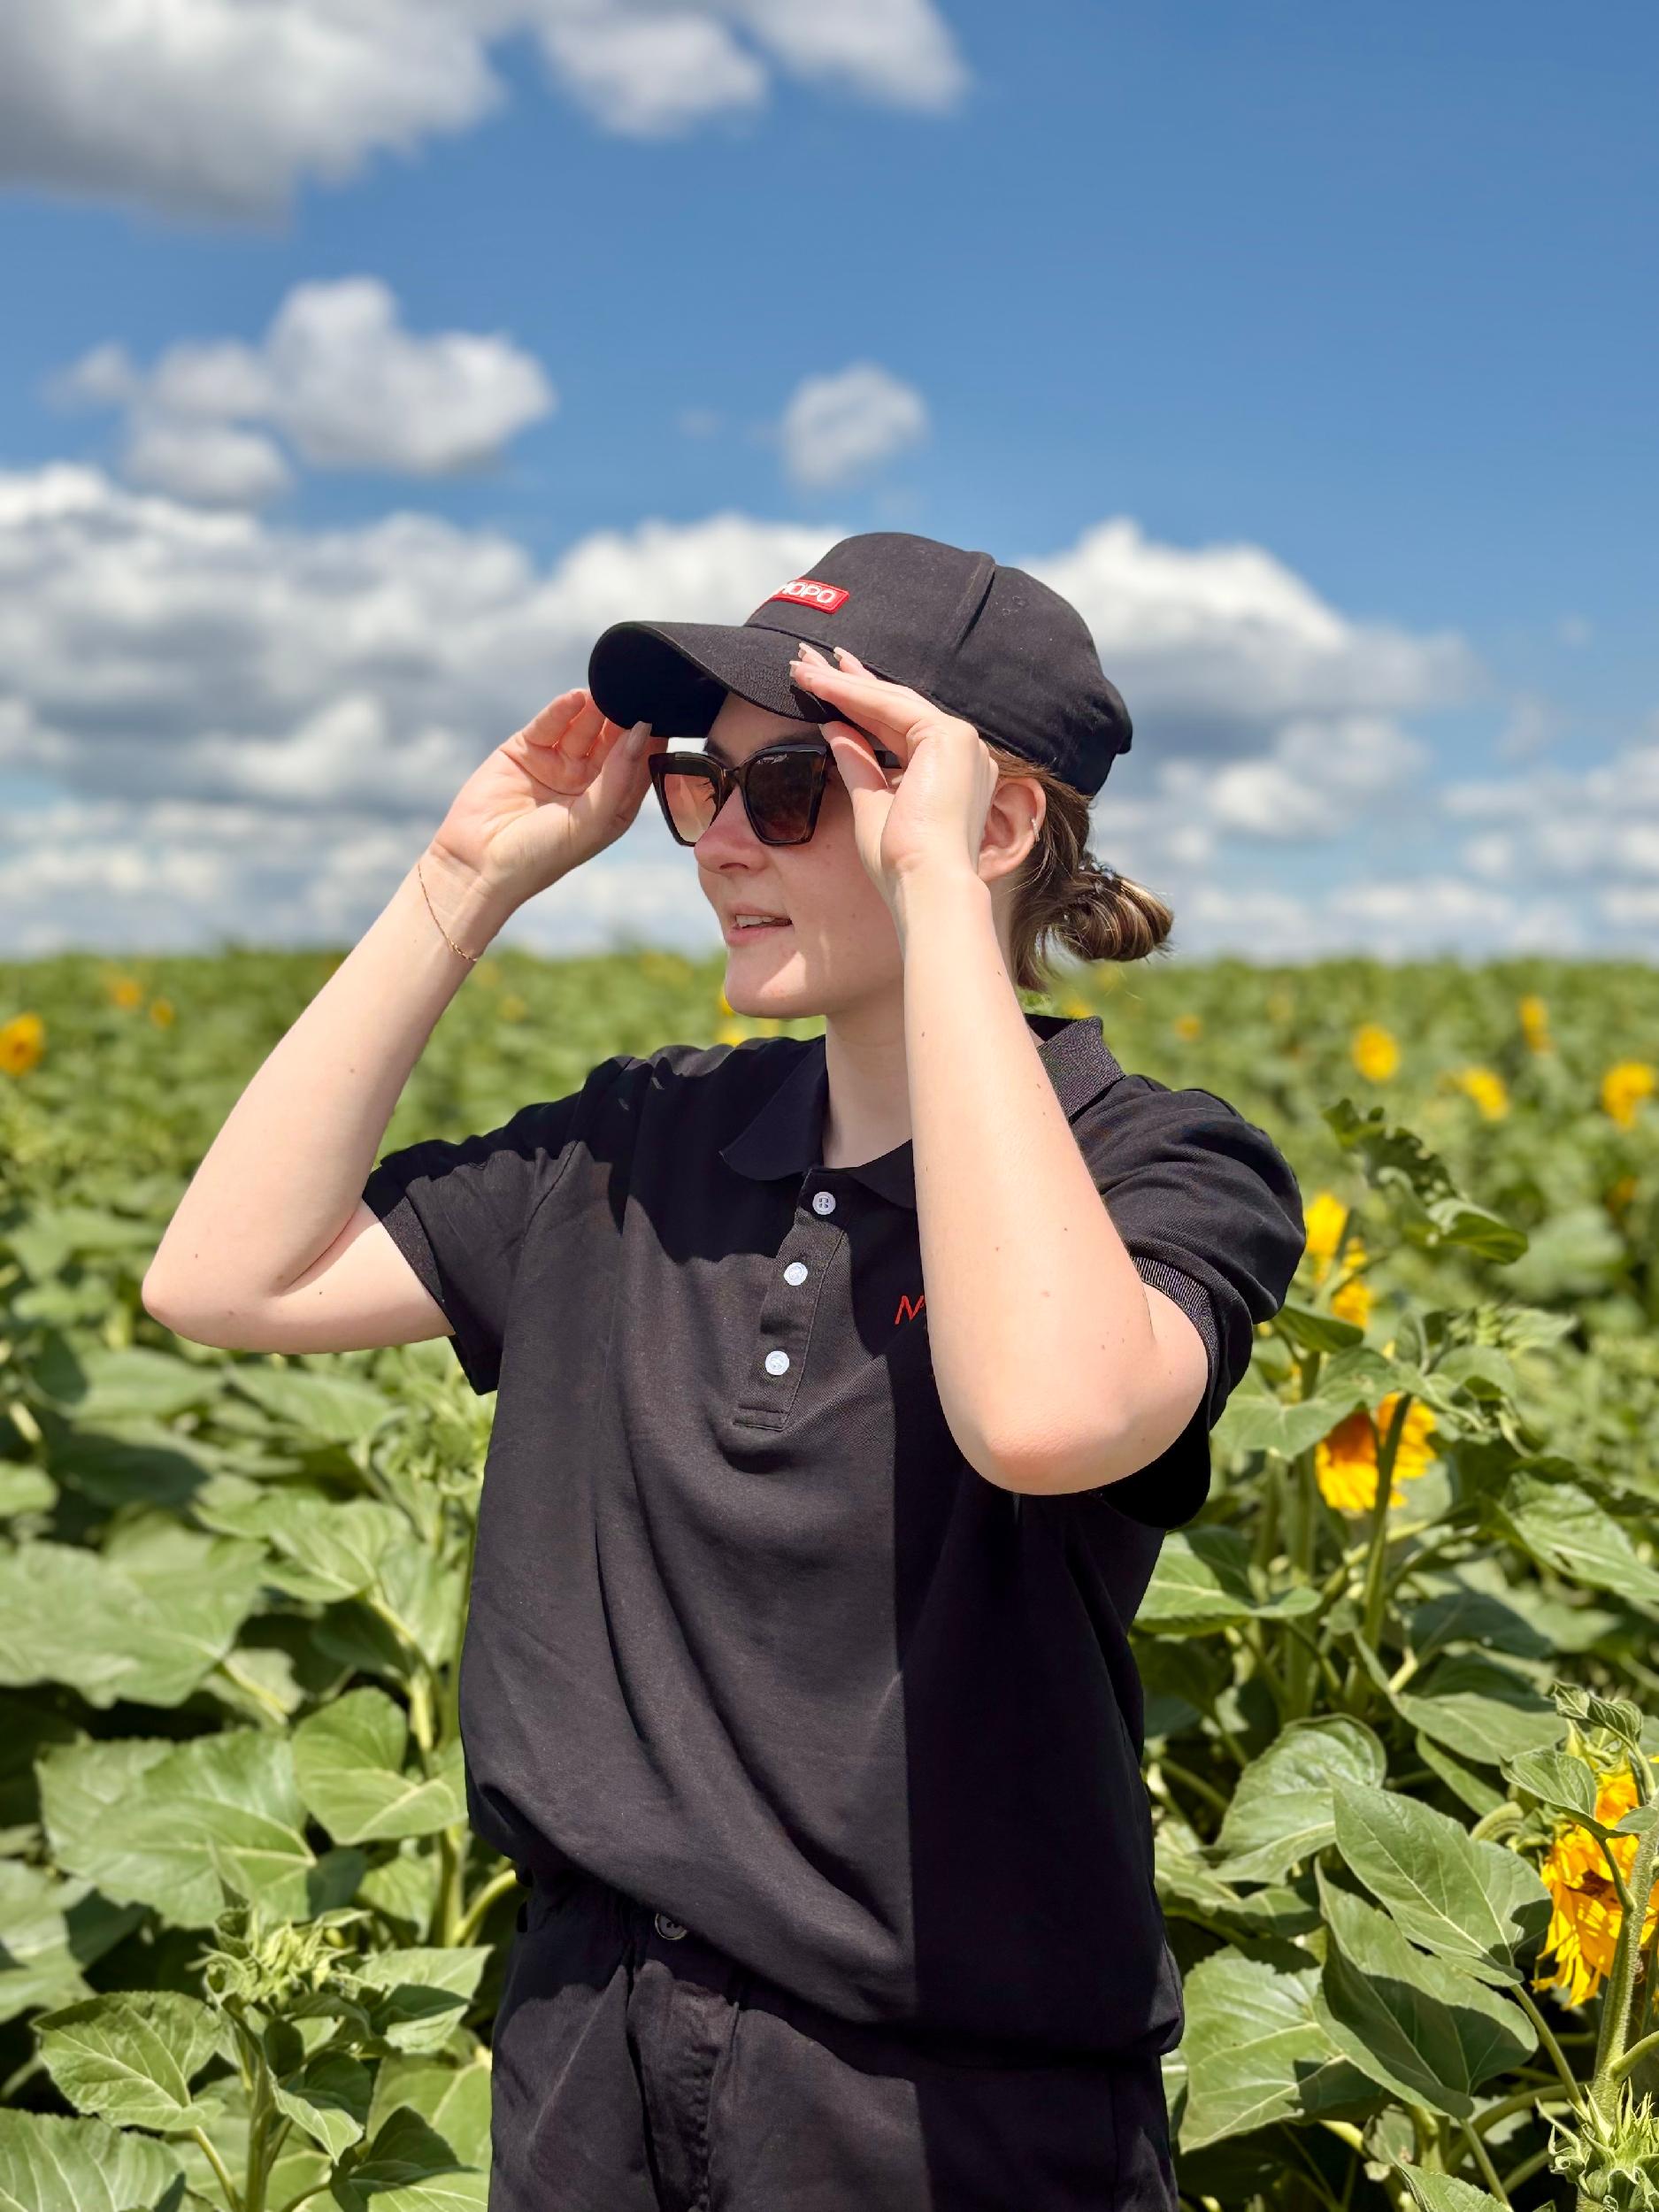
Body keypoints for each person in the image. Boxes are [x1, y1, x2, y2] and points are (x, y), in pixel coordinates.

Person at [142, 531, 1307, 2211]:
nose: (719, 844)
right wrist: (461, 881)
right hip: (583, 2059)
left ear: (986, 820)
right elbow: (225, 1277)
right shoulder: (635, 1145)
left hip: (946, 2121)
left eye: (795, 790)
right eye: (705, 781)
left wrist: (945, 919)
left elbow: (1045, 1413)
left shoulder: (1153, 1167)